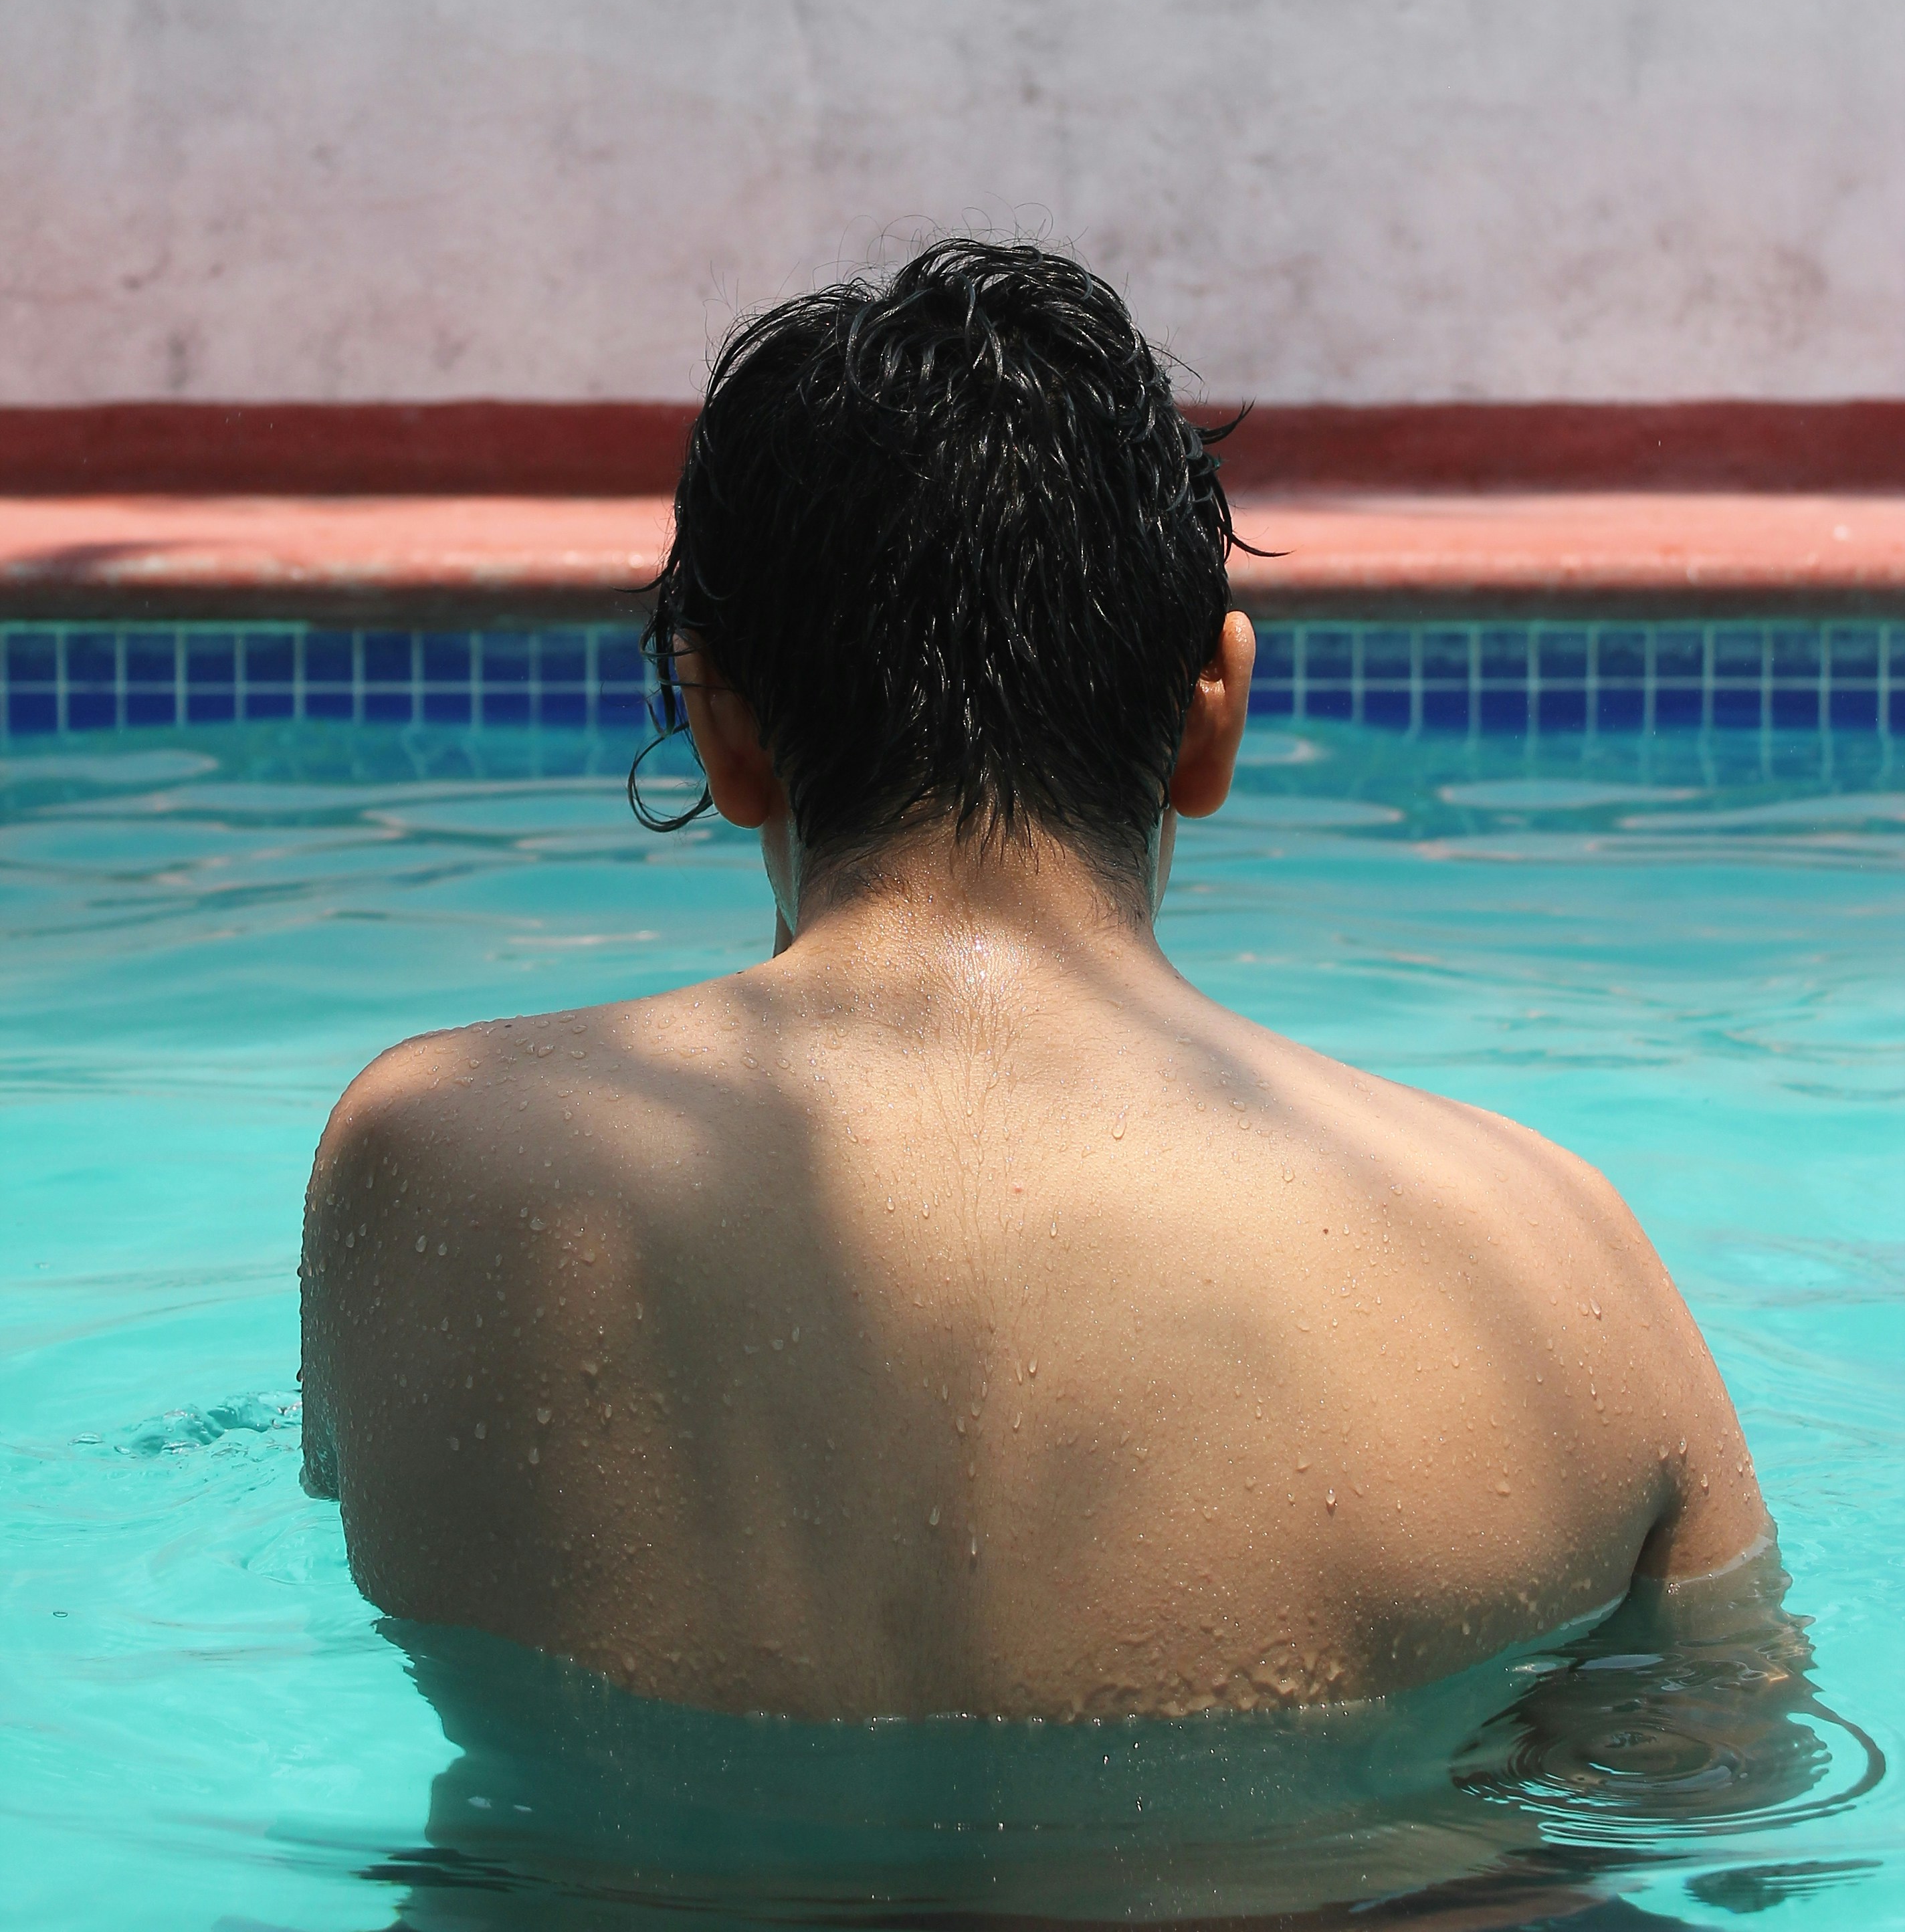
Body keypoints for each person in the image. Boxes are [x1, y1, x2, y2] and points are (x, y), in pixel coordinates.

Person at [300, 239, 1767, 1722]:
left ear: (718, 724)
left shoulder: (428, 1158)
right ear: (1216, 712)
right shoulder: (1545, 1257)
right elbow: (1724, 1790)